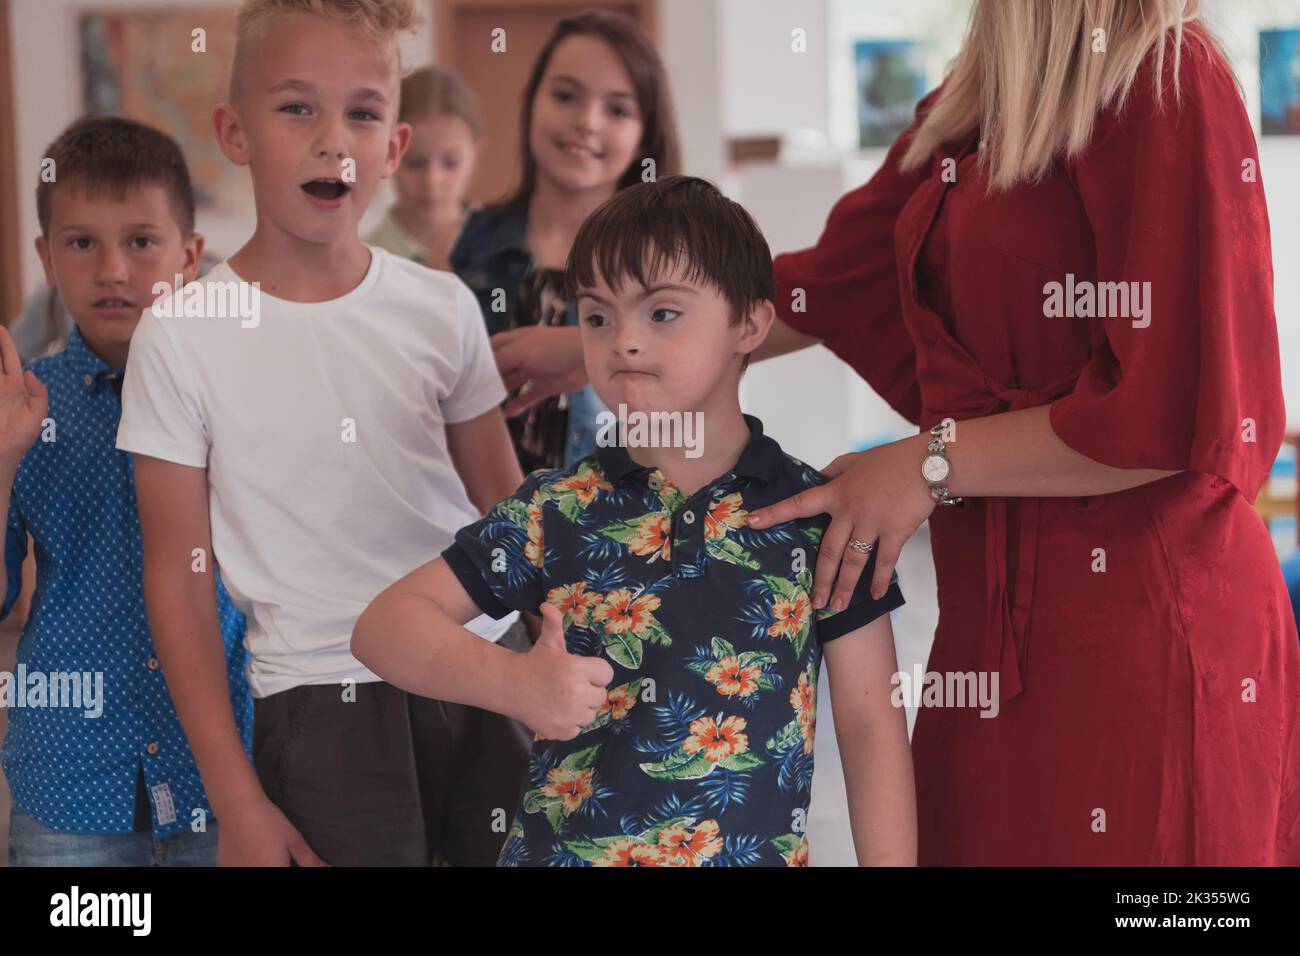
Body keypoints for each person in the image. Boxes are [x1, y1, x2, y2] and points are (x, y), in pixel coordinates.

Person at [487, 0, 1300, 867]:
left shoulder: (1164, 79)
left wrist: (928, 462)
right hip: (989, 619)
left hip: (1145, 621)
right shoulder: (973, 101)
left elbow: (1173, 406)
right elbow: (827, 282)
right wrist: (599, 344)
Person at [354, 176, 915, 867]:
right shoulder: (555, 509)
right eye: (596, 316)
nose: (622, 341)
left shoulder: (819, 517)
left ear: (751, 323)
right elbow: (383, 627)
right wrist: (513, 685)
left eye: (662, 314)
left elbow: (872, 732)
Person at [116, 0, 532, 866]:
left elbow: (516, 518)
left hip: (486, 674)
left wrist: (564, 658)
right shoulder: (181, 333)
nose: (331, 138)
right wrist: (237, 805)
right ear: (234, 131)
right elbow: (180, 585)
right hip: (321, 706)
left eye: (363, 112)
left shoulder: (441, 308)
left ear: (394, 148)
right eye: (297, 106)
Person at [0, 116, 251, 866]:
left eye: (141, 241)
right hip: (72, 782)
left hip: (228, 767)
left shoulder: (242, 396)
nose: (113, 268)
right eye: (81, 243)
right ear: (47, 257)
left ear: (189, 255)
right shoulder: (25, 405)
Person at [451, 11, 681, 475]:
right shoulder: (462, 240)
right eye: (564, 96)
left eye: (617, 109)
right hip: (474, 528)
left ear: (644, 136)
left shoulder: (673, 264)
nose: (586, 123)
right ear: (528, 102)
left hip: (619, 532)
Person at [364, 66, 482, 270]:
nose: (432, 180)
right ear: (390, 154)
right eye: (415, 162)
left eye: (451, 163)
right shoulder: (365, 261)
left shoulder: (502, 248)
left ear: (476, 153)